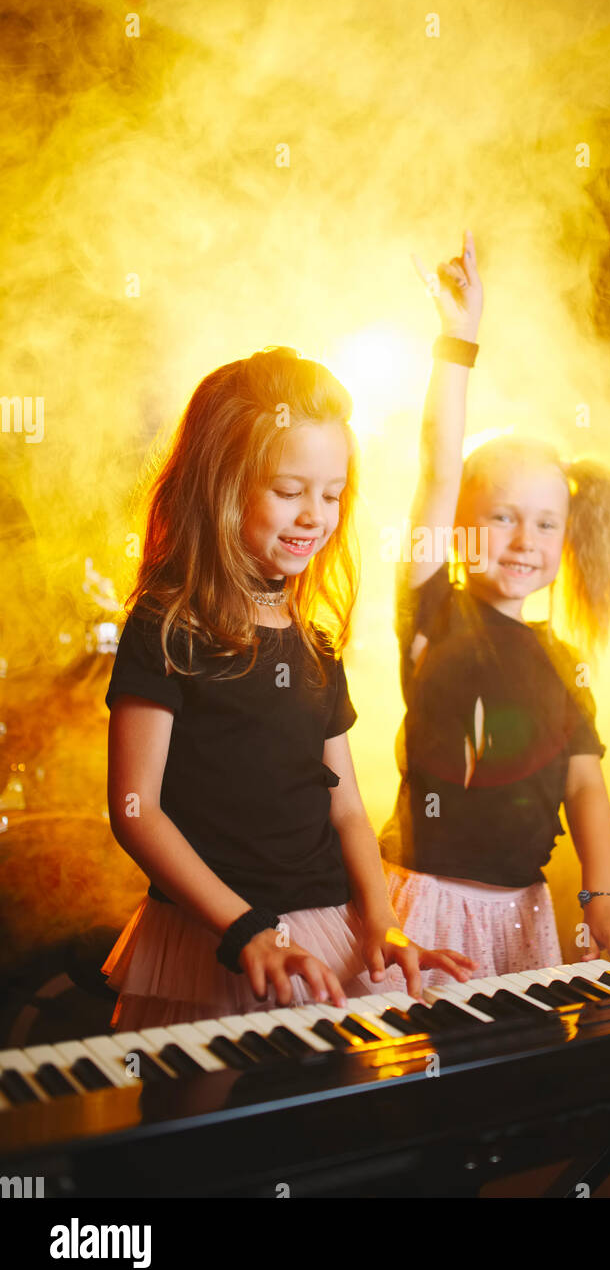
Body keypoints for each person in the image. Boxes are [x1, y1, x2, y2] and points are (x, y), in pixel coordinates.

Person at [102, 345, 475, 1031]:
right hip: (215, 937)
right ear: (221, 485)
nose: (315, 515)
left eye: (331, 495)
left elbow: (349, 814)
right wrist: (246, 930)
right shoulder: (165, 627)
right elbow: (135, 810)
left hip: (327, 937)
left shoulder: (313, 642)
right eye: (288, 489)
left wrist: (382, 922)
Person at [379, 230, 610, 986]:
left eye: (545, 523)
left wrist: (604, 898)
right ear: (457, 527)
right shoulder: (433, 612)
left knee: (515, 1095)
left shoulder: (563, 660)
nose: (523, 540)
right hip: (424, 907)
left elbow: (584, 783)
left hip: (524, 914)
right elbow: (435, 467)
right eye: (501, 516)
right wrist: (459, 340)